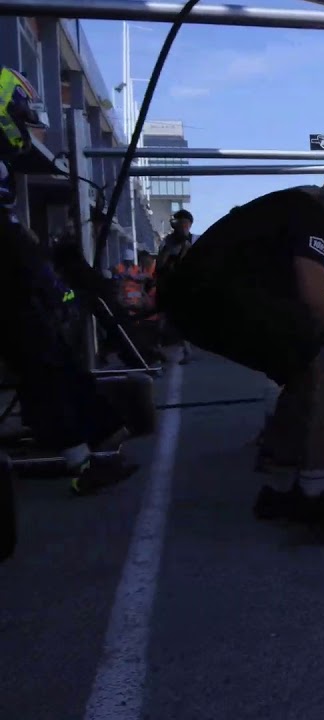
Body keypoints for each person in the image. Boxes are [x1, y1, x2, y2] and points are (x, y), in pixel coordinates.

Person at [156, 162, 324, 543]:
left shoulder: (301, 208)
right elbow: (317, 299)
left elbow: (320, 270)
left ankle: (281, 486)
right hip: (212, 299)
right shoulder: (310, 213)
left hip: (200, 300)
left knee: (304, 373)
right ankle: (315, 496)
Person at [0, 66, 134, 495]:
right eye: (20, 113)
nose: (24, 125)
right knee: (42, 368)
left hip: (17, 285)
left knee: (53, 361)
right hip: (11, 289)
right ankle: (81, 462)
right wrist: (50, 283)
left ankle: (98, 438)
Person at [155, 209, 195, 363]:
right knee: (163, 318)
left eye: (186, 224)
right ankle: (157, 349)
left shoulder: (191, 241)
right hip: (166, 284)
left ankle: (187, 350)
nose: (184, 227)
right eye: (181, 223)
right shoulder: (168, 242)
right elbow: (160, 264)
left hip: (182, 286)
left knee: (181, 318)